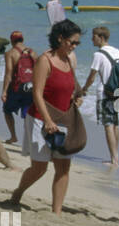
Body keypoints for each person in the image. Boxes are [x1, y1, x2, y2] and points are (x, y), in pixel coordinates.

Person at [7, 19, 84, 214]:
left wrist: (76, 98)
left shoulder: (69, 60)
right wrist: (48, 120)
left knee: (63, 168)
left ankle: (56, 212)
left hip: (63, 120)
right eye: (72, 42)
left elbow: (71, 88)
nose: (75, 47)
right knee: (39, 168)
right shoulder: (44, 60)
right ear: (60, 38)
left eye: (78, 43)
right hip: (40, 119)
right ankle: (19, 191)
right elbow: (37, 94)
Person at [81, 25, 119, 167]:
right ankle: (115, 155)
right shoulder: (118, 52)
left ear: (101, 38)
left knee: (108, 125)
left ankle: (114, 159)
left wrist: (84, 88)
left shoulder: (98, 55)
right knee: (116, 125)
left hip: (105, 92)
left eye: (93, 36)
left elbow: (92, 76)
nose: (91, 39)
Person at [0, 31, 34, 143]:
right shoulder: (32, 52)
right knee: (27, 115)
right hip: (30, 87)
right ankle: (29, 140)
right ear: (22, 39)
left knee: (7, 110)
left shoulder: (10, 53)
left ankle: (13, 136)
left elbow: (8, 74)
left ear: (12, 41)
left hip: (16, 87)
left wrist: (4, 91)